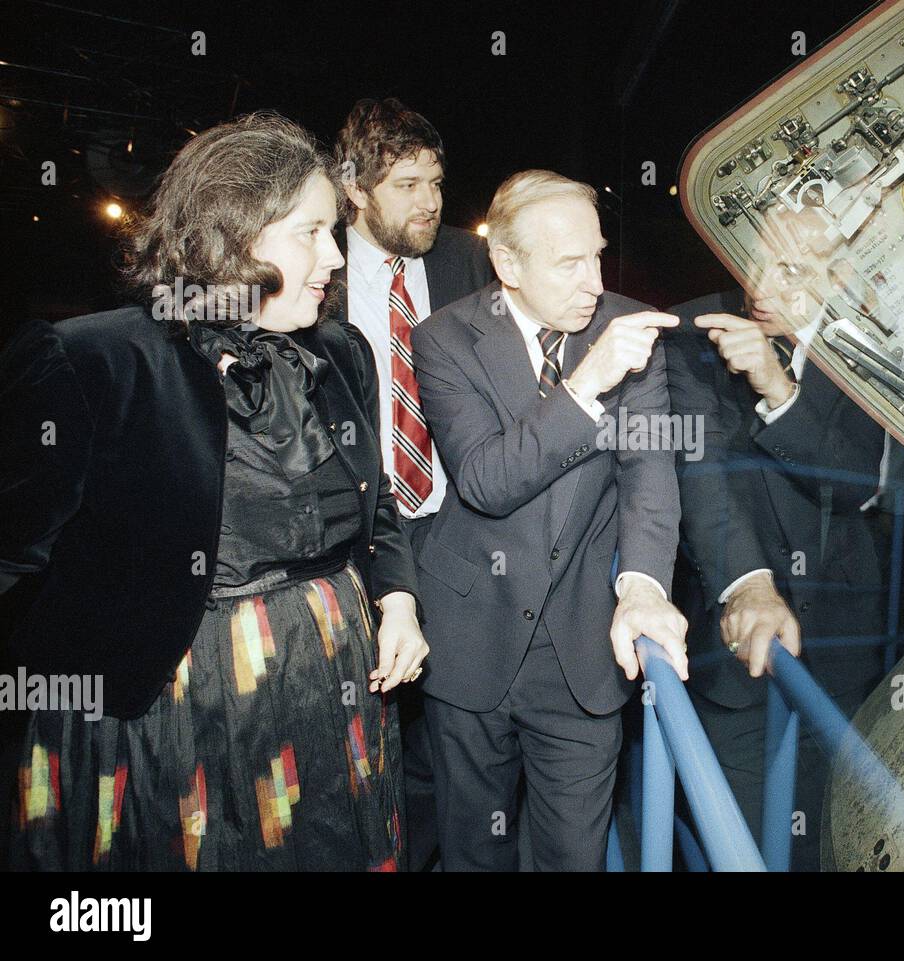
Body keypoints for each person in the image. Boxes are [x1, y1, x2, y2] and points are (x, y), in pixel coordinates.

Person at [0, 112, 429, 871]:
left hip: (328, 687)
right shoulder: (94, 359)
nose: (334, 255)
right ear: (235, 233)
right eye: (311, 231)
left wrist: (397, 598)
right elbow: (15, 553)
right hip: (166, 706)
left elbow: (379, 503)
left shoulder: (341, 352)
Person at [409, 169, 688, 871]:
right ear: (507, 264)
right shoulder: (445, 337)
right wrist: (587, 382)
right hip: (469, 634)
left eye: (597, 255)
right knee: (475, 852)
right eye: (569, 263)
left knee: (573, 856)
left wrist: (644, 586)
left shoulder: (629, 329)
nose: (594, 282)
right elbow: (486, 481)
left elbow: (649, 475)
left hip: (583, 643)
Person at [665, 284, 904, 869]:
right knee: (739, 843)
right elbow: (698, 473)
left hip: (843, 646)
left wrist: (777, 388)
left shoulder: (873, 343)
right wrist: (747, 584)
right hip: (731, 651)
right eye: (758, 258)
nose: (763, 287)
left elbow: (865, 485)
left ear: (837, 268)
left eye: (791, 270)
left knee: (832, 835)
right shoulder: (688, 330)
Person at [332, 96, 493, 869]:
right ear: (354, 188)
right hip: (352, 539)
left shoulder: (469, 261)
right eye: (406, 185)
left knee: (453, 720)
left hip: (455, 528)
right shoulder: (313, 267)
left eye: (435, 181)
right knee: (360, 718)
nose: (429, 200)